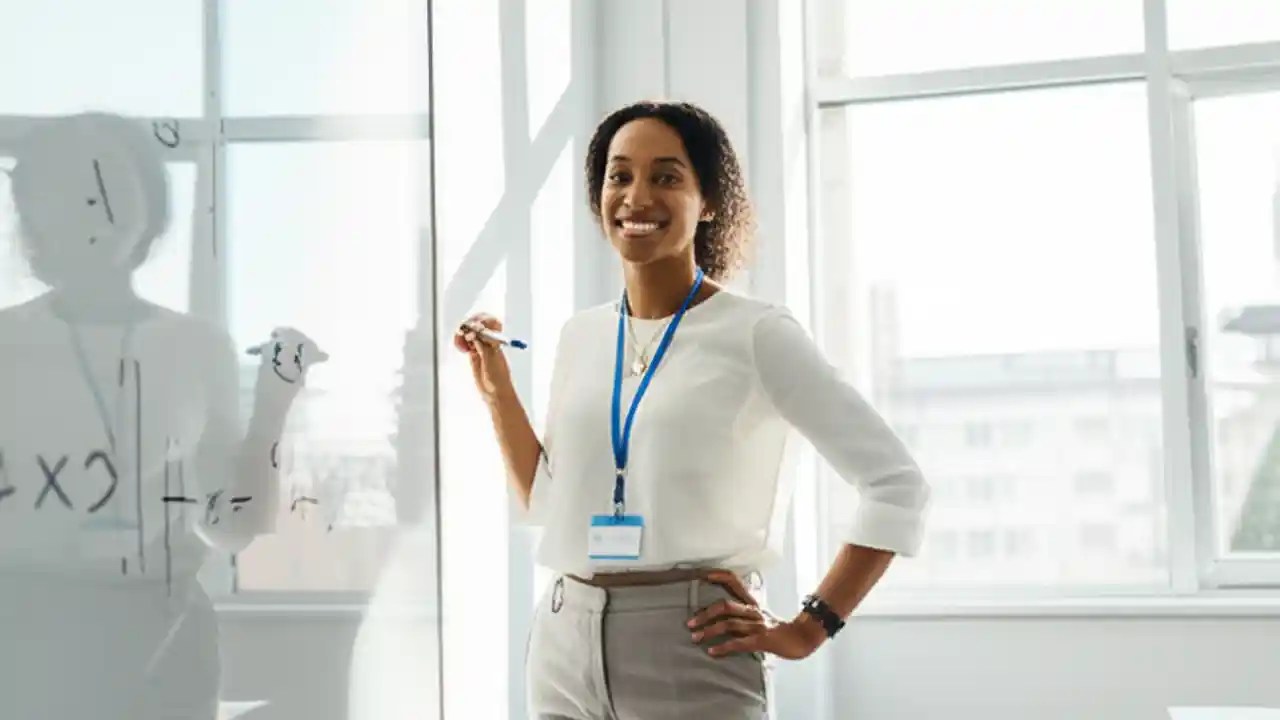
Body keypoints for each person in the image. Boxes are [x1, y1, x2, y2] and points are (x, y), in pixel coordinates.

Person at [455, 100, 931, 719]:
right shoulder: (584, 335)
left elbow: (897, 486)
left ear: (707, 200)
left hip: (693, 643)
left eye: (666, 176)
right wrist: (495, 387)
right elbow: (548, 502)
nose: (636, 195)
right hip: (562, 642)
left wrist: (809, 627)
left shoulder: (757, 333)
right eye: (619, 175)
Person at [0, 112, 321, 719]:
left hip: (162, 641)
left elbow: (230, 527)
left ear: (150, 207)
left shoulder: (196, 347)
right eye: (69, 185)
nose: (93, 204)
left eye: (113, 183)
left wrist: (274, 407)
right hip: (23, 640)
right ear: (32, 208)